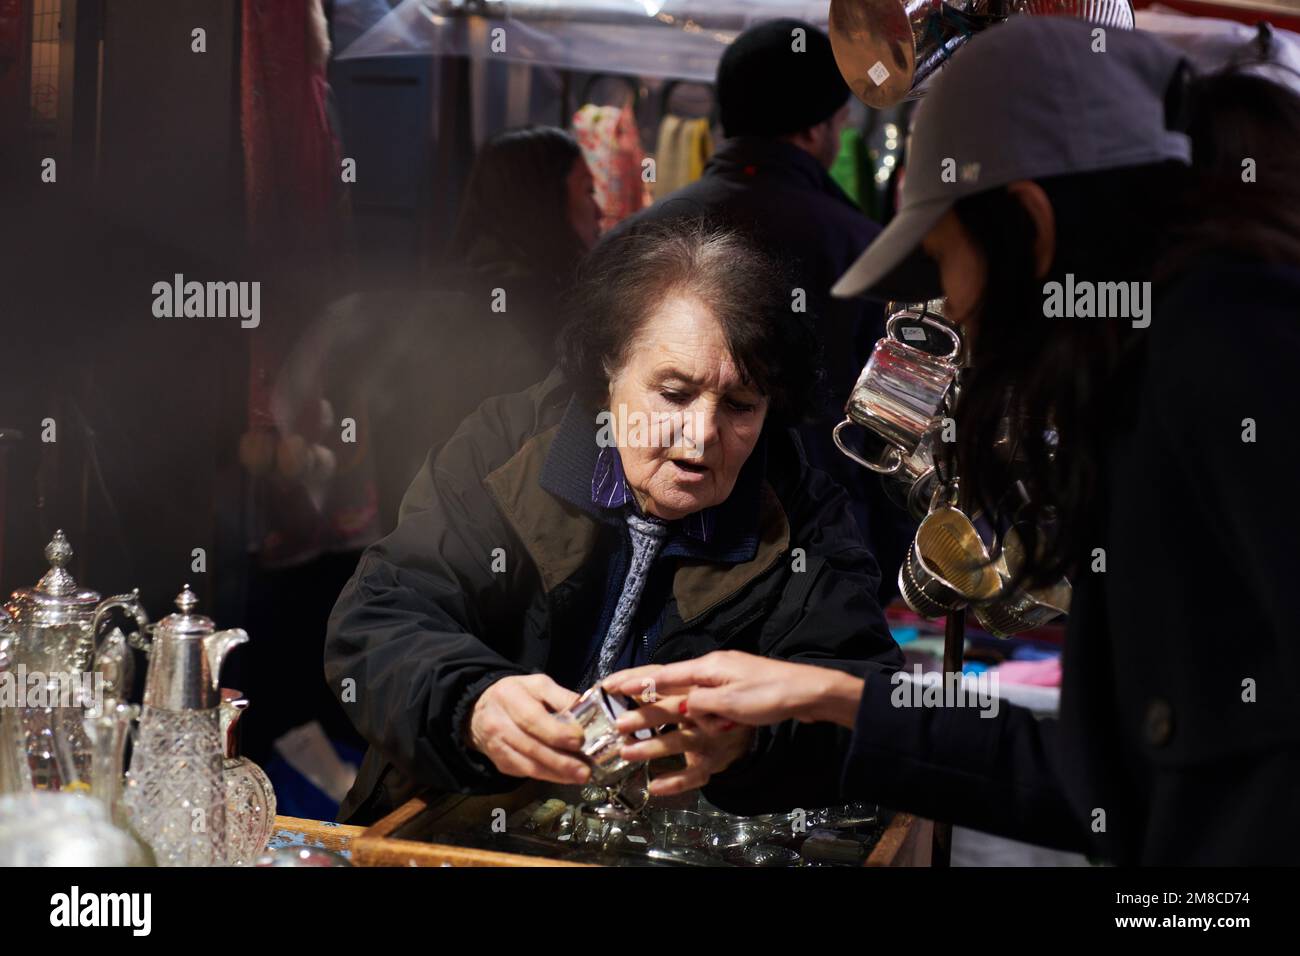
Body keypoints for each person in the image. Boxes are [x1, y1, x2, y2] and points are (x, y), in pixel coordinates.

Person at [605, 17, 1300, 865]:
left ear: (1029, 225)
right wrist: (836, 695)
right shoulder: (1163, 375)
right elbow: (1101, 779)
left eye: (944, 260)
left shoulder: (1231, 365)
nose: (954, 309)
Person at [323, 222, 901, 824]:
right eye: (674, 393)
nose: (702, 436)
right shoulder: (503, 449)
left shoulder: (804, 518)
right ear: (608, 372)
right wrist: (472, 703)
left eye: (739, 406)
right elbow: (378, 620)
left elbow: (858, 702)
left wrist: (749, 743)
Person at [613, 19, 913, 603]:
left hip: (646, 544)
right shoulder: (867, 251)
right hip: (819, 565)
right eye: (841, 114)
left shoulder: (634, 239)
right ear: (817, 127)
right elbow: (892, 429)